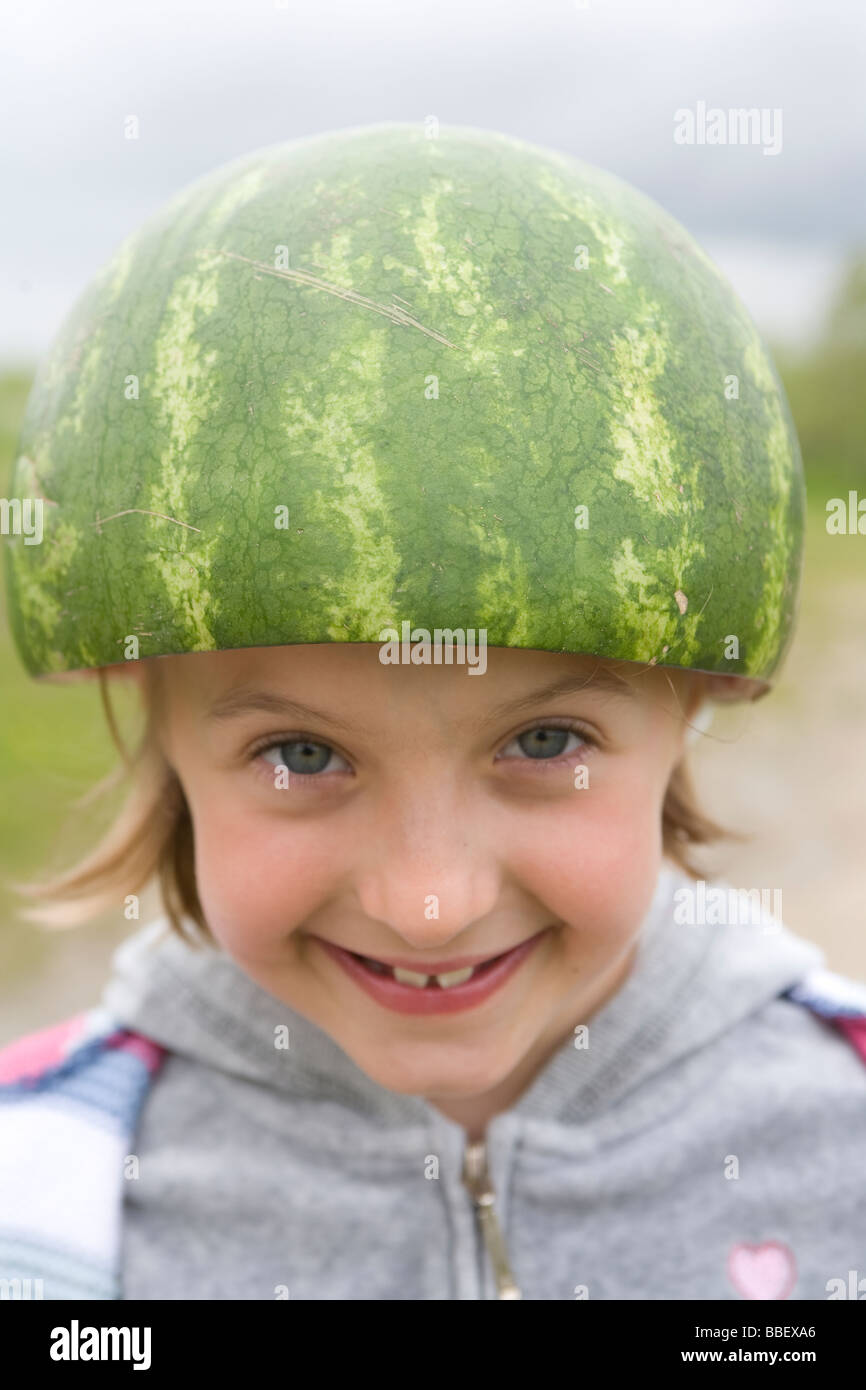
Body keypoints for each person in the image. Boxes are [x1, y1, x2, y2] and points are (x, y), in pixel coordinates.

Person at [1, 123, 864, 1302]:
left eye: (544, 741)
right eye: (300, 753)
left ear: (703, 692)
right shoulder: (40, 1193)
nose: (428, 902)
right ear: (141, 707)